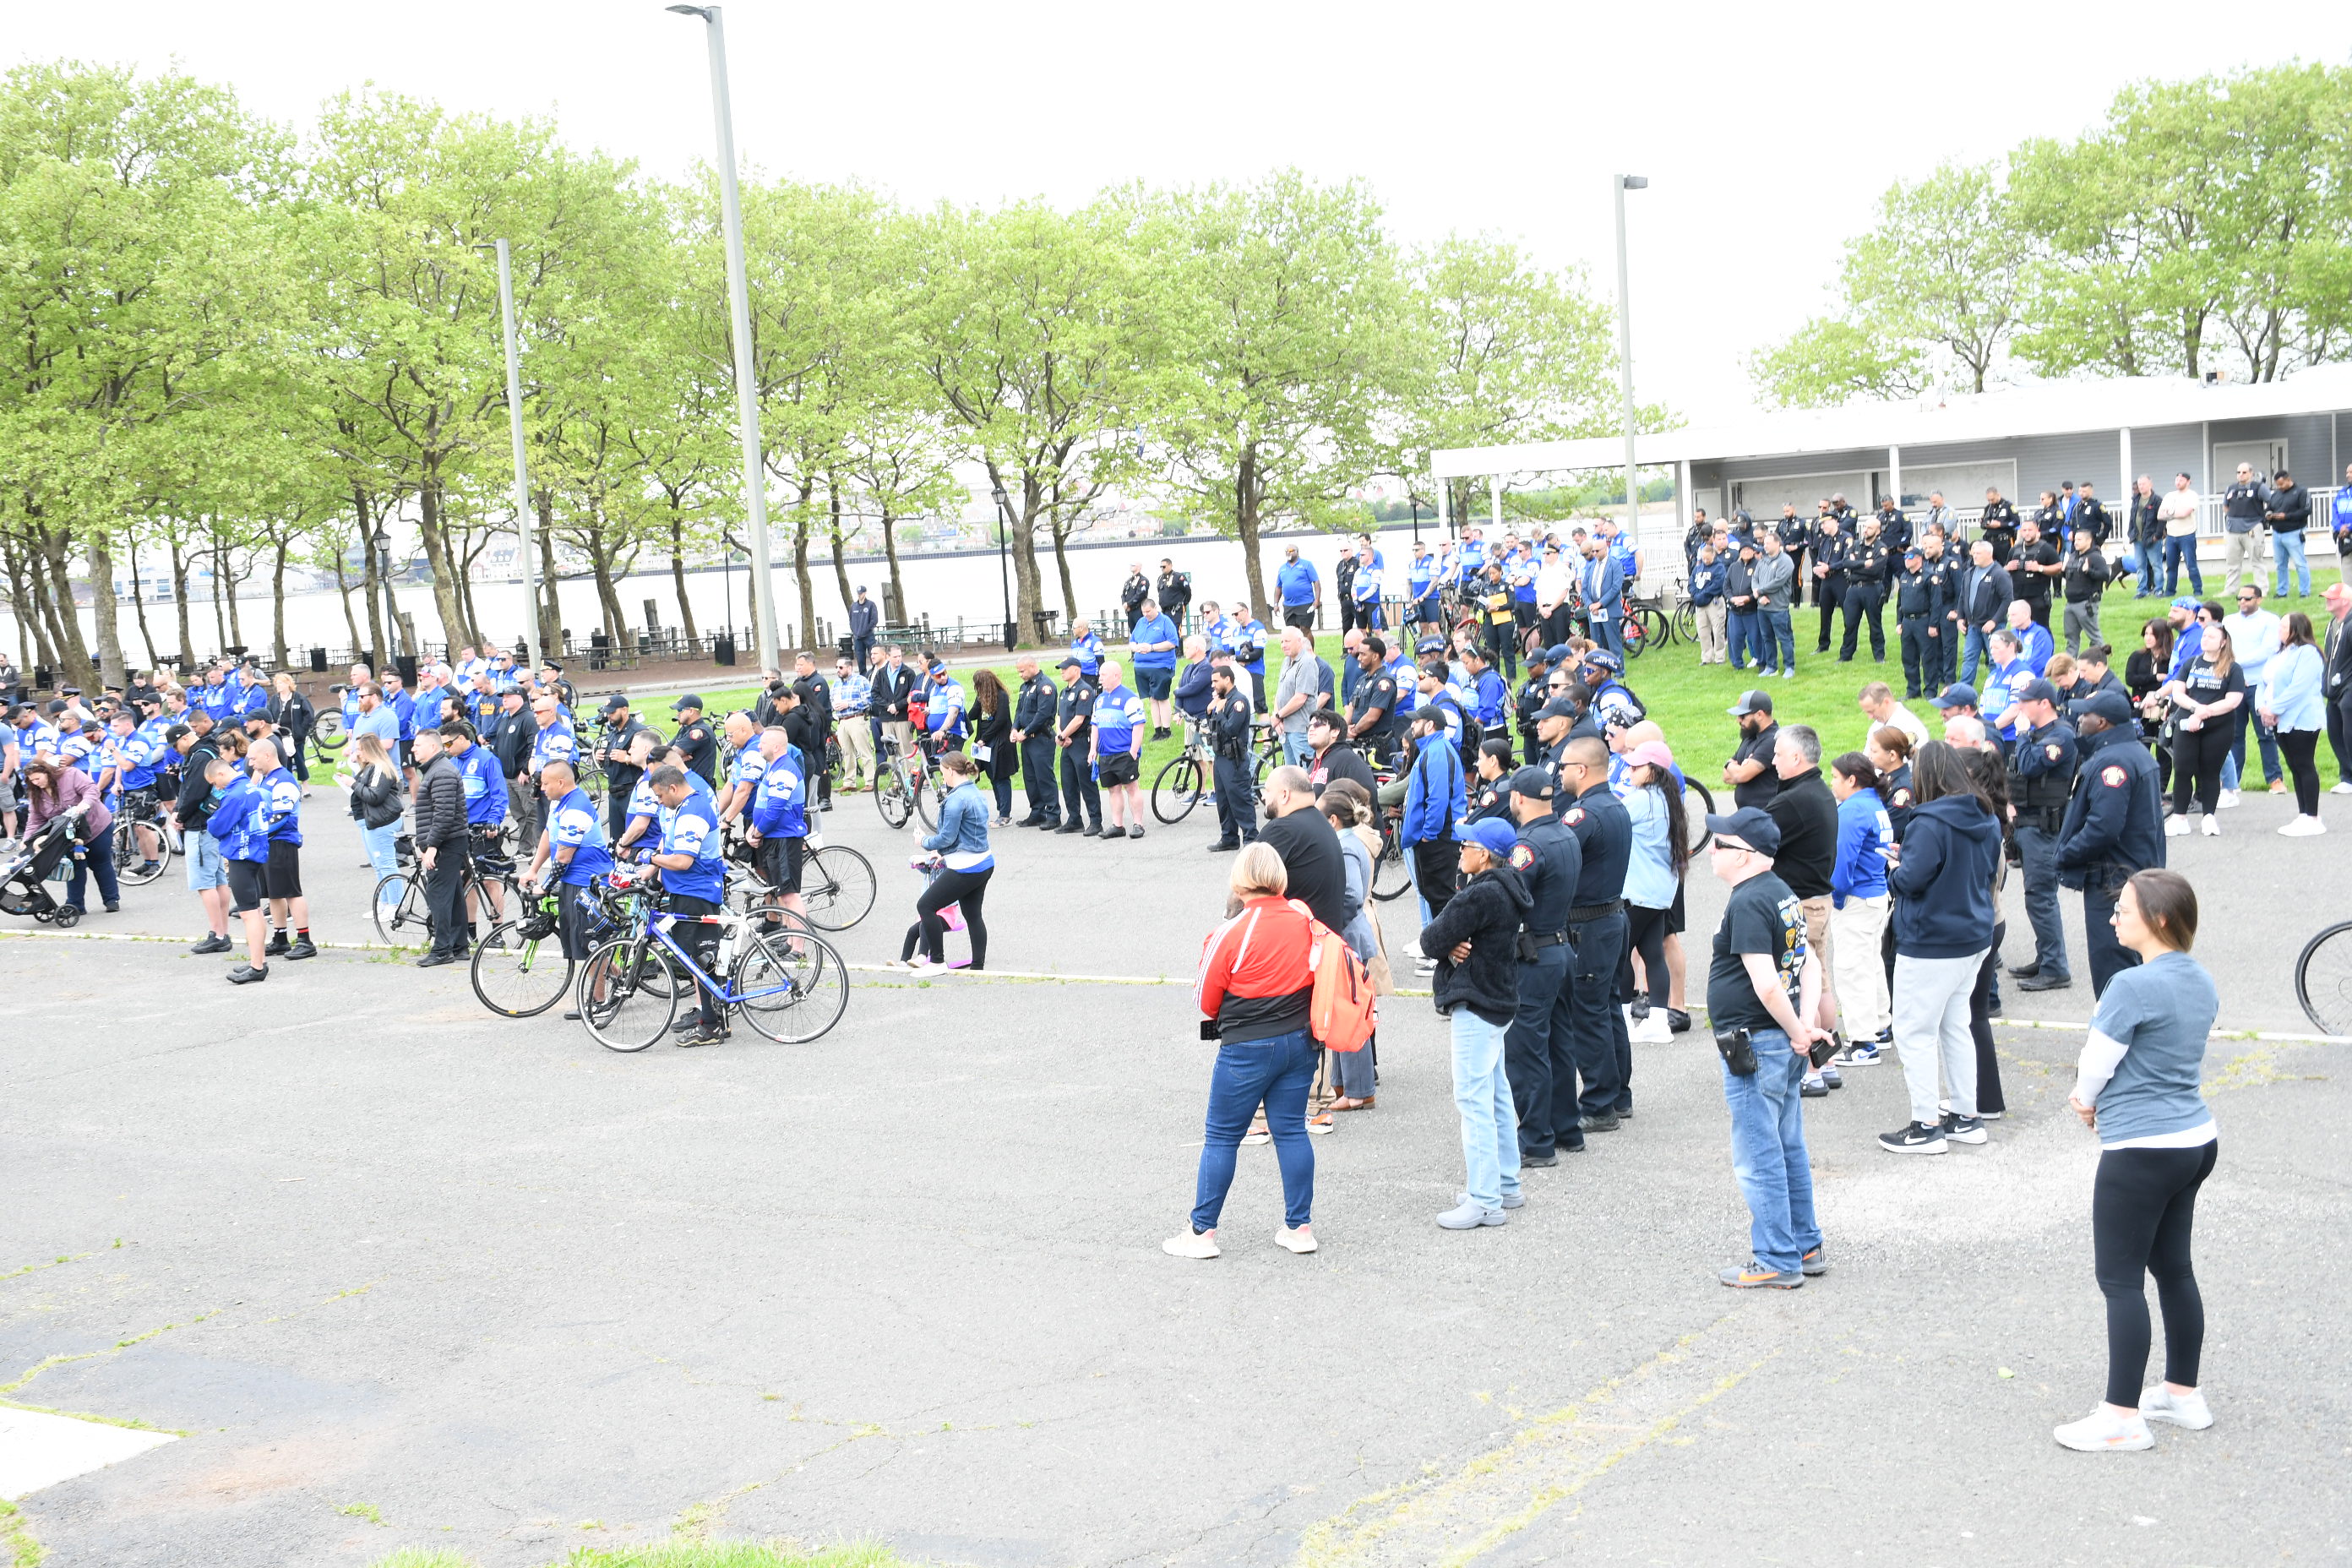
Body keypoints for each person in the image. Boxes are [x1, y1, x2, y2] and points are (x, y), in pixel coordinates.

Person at [2054, 869, 2220, 1454]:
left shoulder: (2129, 985)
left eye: (2123, 908)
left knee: (2119, 1279)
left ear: (2160, 919)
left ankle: (2122, 1416)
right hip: (2196, 1140)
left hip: (2142, 1150)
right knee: (2173, 1269)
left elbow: (2098, 1061)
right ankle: (2182, 1394)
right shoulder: (2200, 980)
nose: (2113, 917)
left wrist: (2084, 1099)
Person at [1168, 843, 1319, 1260]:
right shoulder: (1304, 918)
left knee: (1221, 1137)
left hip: (1247, 1046)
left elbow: (1205, 998)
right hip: (1301, 1038)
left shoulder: (1230, 932)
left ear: (1239, 880)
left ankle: (1201, 1233)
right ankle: (1299, 1227)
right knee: (1291, 1130)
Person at [1701, 806, 1827, 1288]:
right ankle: (1805, 1243)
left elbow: (1768, 984)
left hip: (1757, 1042)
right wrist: (1807, 1024)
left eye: (1721, 844)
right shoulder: (1782, 894)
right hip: (1781, 1041)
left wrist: (1799, 1030)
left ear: (1746, 855)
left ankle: (1777, 1258)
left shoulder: (1751, 901)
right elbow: (1809, 965)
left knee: (1759, 1155)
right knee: (1788, 1144)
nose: (1712, 851)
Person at [1877, 741, 2001, 1153]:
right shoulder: (1985, 814)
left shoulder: (1927, 821)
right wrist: (1910, 857)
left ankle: (1925, 1124)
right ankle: (1966, 1116)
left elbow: (1911, 881)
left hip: (1931, 940)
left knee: (1914, 1031)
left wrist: (1894, 867)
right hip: (1973, 935)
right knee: (1955, 1026)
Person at [1415, 816, 1533, 1230]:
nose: (1458, 851)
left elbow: (1431, 939)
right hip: (1500, 999)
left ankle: (1485, 1200)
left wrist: (1447, 947)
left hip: (1476, 1001)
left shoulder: (1476, 896)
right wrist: (1453, 946)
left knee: (1473, 1099)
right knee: (1496, 1093)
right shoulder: (1510, 885)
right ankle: (1505, 1182)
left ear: (1482, 855)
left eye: (1464, 846)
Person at [2055, 689, 2167, 998]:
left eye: (2085, 715)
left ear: (2101, 722)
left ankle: (2116, 1037)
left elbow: (2104, 827)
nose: (2079, 720)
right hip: (2131, 876)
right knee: (2130, 964)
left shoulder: (2112, 763)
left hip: (2113, 881)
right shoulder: (2131, 752)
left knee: (2113, 969)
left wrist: (2064, 853)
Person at [1763, 725, 1839, 1091]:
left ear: (1796, 757)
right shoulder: (1818, 790)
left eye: (1777, 754)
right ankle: (1827, 1062)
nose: (1772, 760)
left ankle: (1811, 1071)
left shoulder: (1793, 800)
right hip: (1818, 901)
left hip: (1800, 905)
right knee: (1821, 981)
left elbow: (1756, 838)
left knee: (1800, 986)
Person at [645, 765, 728, 1046]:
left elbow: (683, 861)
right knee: (699, 960)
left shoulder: (691, 813)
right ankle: (713, 1018)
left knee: (702, 961)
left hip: (696, 893)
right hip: (690, 891)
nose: (659, 802)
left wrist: (650, 859)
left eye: (659, 796)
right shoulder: (685, 807)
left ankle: (711, 1027)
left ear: (673, 788)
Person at [2006, 677, 2080, 990]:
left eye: (2025, 701)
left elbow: (2030, 765)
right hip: (2026, 824)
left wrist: (2022, 735)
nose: (2019, 707)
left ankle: (2055, 967)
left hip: (2044, 828)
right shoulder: (2039, 734)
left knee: (2041, 898)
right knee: (2034, 897)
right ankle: (2046, 958)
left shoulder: (2060, 737)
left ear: (2044, 704)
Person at [896, 749, 994, 973]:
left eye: (942, 773)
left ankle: (937, 962)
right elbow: (967, 835)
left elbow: (947, 837)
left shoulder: (956, 799)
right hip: (984, 862)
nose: (943, 778)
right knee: (973, 915)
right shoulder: (977, 793)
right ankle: (977, 966)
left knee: (926, 905)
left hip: (965, 868)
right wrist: (944, 853)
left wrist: (924, 841)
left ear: (950, 771)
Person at [1827, 753, 1894, 1060]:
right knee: (1870, 963)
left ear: (1851, 780)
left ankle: (1863, 1043)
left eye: (1836, 778)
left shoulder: (1852, 810)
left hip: (1857, 897)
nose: (1832, 784)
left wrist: (1836, 896)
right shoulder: (1873, 804)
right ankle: (1880, 1028)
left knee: (1851, 970)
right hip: (1876, 894)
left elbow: (1843, 862)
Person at [1619, 740, 1685, 1046]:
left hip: (1636, 892)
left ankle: (1620, 1021)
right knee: (1653, 955)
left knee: (1620, 955)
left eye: (1636, 766)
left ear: (1654, 770)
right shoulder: (1669, 800)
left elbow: (1610, 821)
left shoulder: (1641, 801)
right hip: (1660, 892)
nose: (1629, 770)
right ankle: (1658, 1021)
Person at [2156, 622, 2245, 836]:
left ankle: (2209, 817)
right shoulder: (2191, 663)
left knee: (2210, 772)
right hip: (2188, 723)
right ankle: (2179, 818)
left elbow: (2233, 700)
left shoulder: (2233, 668)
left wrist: (2205, 712)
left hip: (2218, 726)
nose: (2205, 639)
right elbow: (2178, 694)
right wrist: (2196, 709)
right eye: (2204, 636)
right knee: (2183, 769)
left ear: (2223, 642)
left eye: (2212, 637)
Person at [20, 754, 116, 916]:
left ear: (47, 772)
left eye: (38, 778)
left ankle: (111, 900)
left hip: (96, 826)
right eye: (32, 781)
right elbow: (35, 820)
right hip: (69, 835)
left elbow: (91, 789)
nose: (36, 783)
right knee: (74, 868)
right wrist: (26, 840)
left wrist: (85, 804)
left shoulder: (71, 774)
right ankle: (75, 905)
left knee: (100, 863)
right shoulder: (36, 793)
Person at [1256, 766, 1348, 934]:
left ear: (1284, 795)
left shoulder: (1281, 831)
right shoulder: (1320, 822)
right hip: (1326, 941)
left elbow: (1245, 885)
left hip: (1298, 944)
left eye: (1267, 790)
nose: (1263, 796)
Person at [2258, 611, 2327, 835]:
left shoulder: (2308, 653)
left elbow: (2299, 687)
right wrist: (2263, 709)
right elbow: (2263, 682)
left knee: (2304, 764)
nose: (2279, 630)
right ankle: (2303, 813)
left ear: (2296, 629)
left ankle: (2314, 817)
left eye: (2284, 626)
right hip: (2277, 719)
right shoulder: (2278, 653)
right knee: (2294, 766)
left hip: (2302, 718)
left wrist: (2275, 709)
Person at [1401, 705, 1466, 941]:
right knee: (1436, 897)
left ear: (1429, 725)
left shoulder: (1437, 751)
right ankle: (1443, 952)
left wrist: (1428, 834)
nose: (1412, 726)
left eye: (1416, 722)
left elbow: (1438, 799)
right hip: (1435, 837)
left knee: (1441, 899)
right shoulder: (1433, 749)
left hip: (1437, 838)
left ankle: (1447, 953)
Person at [409, 727, 471, 967]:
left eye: (417, 745)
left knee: (439, 896)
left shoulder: (441, 772)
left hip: (445, 843)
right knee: (453, 895)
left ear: (433, 747)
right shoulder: (437, 769)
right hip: (449, 841)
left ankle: (442, 948)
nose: (413, 748)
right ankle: (459, 945)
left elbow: (444, 814)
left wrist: (432, 845)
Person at [348, 732, 406, 927]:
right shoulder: (368, 768)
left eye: (360, 750)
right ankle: (384, 902)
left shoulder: (380, 768)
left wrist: (353, 784)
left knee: (387, 864)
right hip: (370, 822)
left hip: (382, 822)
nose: (357, 754)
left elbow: (374, 796)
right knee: (378, 865)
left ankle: (395, 905)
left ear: (370, 750)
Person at [1087, 661, 1147, 840]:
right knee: (1113, 789)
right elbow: (1095, 725)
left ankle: (1138, 824)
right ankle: (1117, 825)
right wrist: (1093, 750)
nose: (1100, 679)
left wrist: (1133, 751)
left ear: (1116, 676)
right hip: (1106, 753)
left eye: (1104, 675)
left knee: (1131, 787)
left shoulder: (1129, 698)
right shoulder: (1099, 699)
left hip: (1124, 752)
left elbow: (1139, 725)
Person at [1205, 664, 1257, 851]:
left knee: (1239, 798)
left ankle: (1251, 837)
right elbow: (1214, 729)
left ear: (1227, 679)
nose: (1213, 685)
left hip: (1234, 758)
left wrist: (1218, 712)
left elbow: (1231, 729)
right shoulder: (1221, 700)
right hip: (1220, 757)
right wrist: (1211, 711)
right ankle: (1229, 837)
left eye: (1216, 681)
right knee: (1223, 799)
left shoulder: (1238, 702)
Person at [1009, 656, 1060, 830]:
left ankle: (1053, 814)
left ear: (1032, 666)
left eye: (1022, 671)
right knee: (1030, 778)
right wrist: (1015, 729)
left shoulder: (1045, 686)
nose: (1020, 675)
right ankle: (1037, 811)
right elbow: (1019, 710)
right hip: (1026, 741)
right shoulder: (1025, 687)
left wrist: (1026, 732)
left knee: (1044, 777)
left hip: (1041, 739)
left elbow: (1042, 715)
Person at [1271, 626, 1330, 769]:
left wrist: (1279, 715)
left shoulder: (1307, 662)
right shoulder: (1286, 661)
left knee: (1304, 774)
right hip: (1285, 728)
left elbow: (1300, 698)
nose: (1284, 645)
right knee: (1291, 775)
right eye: (1282, 642)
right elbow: (1280, 692)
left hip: (1300, 730)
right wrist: (1276, 717)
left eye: (1287, 641)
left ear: (1299, 641)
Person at [969, 668, 1017, 826]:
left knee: (1001, 777)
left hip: (1000, 742)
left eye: (979, 686)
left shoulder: (1001, 696)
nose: (977, 689)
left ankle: (1005, 814)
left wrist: (984, 738)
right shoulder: (982, 697)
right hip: (985, 743)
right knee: (992, 776)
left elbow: (1001, 720)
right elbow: (973, 715)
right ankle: (1000, 810)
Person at [1127, 597, 1182, 738]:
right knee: (1152, 698)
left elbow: (1172, 643)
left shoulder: (1165, 622)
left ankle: (1166, 730)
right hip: (1141, 667)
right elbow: (1132, 641)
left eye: (1148, 611)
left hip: (1160, 666)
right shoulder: (1141, 622)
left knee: (1161, 698)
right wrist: (1136, 648)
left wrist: (1152, 648)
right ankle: (1157, 730)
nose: (1146, 614)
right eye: (1143, 612)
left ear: (1155, 608)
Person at [1723, 689, 1781, 810]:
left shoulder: (1772, 740)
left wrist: (1729, 764)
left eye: (1742, 716)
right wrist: (1737, 769)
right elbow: (1727, 777)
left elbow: (1741, 775)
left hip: (1764, 815)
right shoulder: (1750, 737)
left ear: (1759, 714)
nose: (1738, 720)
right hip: (1748, 815)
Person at [2158, 473, 2203, 596]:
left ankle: (2198, 590)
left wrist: (2170, 513)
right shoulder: (2169, 496)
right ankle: (2170, 591)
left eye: (2181, 480)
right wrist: (2174, 513)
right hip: (2171, 536)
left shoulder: (2192, 495)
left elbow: (2185, 513)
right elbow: (2160, 515)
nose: (2178, 482)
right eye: (2177, 479)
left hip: (2187, 534)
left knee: (2191, 565)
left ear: (2188, 482)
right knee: (2171, 566)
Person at [1275, 542, 1320, 632]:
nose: (1288, 552)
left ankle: (1309, 646)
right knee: (1292, 631)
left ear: (1297, 552)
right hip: (1289, 605)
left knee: (1305, 630)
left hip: (1305, 603)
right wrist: (1276, 604)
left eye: (1291, 551)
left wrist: (1317, 600)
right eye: (1286, 551)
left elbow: (1316, 582)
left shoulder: (1306, 564)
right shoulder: (1282, 568)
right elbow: (1278, 587)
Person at [848, 585, 879, 672]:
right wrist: (855, 631)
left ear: (865, 593)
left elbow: (874, 620)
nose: (860, 595)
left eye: (861, 593)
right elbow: (851, 620)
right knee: (860, 661)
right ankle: (863, 678)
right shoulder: (853, 606)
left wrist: (866, 629)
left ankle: (876, 676)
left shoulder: (871, 605)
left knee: (874, 658)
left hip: (868, 637)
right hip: (858, 638)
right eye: (858, 593)